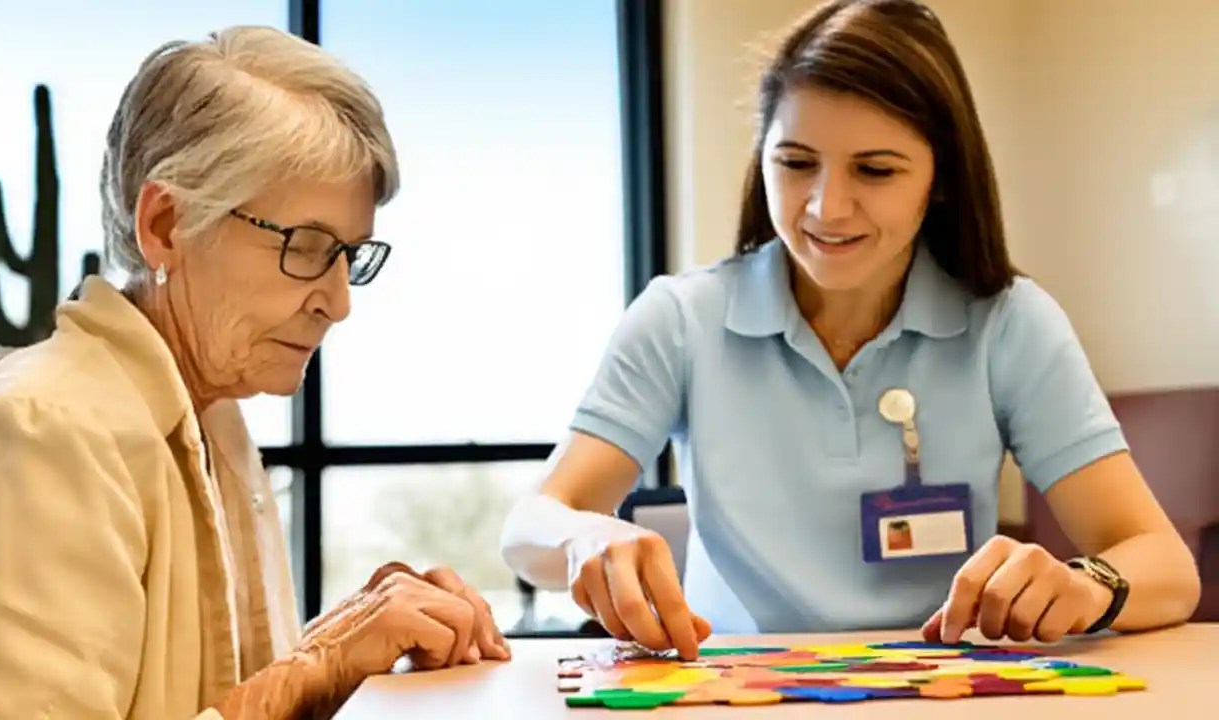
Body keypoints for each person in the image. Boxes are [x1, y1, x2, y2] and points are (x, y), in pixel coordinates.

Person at [500, 0, 1201, 660]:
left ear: (942, 179)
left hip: (944, 692)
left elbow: (1165, 565)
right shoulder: (679, 320)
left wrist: (1086, 583)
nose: (826, 208)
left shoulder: (1011, 323)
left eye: (875, 170)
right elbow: (529, 527)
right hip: (734, 692)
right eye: (796, 163)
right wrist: (581, 538)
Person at [0, 26, 508, 720]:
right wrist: (319, 665)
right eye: (305, 246)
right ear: (167, 224)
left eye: (349, 254)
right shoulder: (41, 433)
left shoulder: (212, 419)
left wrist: (351, 638)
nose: (338, 301)